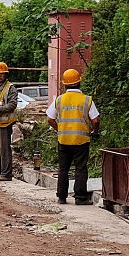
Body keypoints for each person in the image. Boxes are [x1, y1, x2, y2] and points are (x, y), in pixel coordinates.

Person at [48, 68, 100, 205]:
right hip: (81, 140)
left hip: (63, 140)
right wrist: (95, 132)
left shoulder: (59, 100)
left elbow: (50, 119)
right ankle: (80, 198)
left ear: (65, 85)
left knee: (63, 169)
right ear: (79, 83)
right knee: (80, 168)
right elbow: (95, 120)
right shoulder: (86, 100)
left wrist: (59, 129)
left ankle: (61, 197)